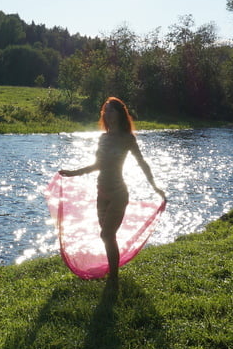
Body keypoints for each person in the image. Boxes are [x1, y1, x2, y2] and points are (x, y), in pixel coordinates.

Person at [59, 97, 165, 282]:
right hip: (101, 192)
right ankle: (112, 272)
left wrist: (155, 187)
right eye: (105, 111)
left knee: (106, 234)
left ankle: (113, 279)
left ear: (119, 114)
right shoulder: (103, 138)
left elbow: (142, 164)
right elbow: (97, 165)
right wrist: (73, 173)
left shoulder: (127, 138)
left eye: (110, 110)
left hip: (118, 194)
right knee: (108, 237)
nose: (106, 114)